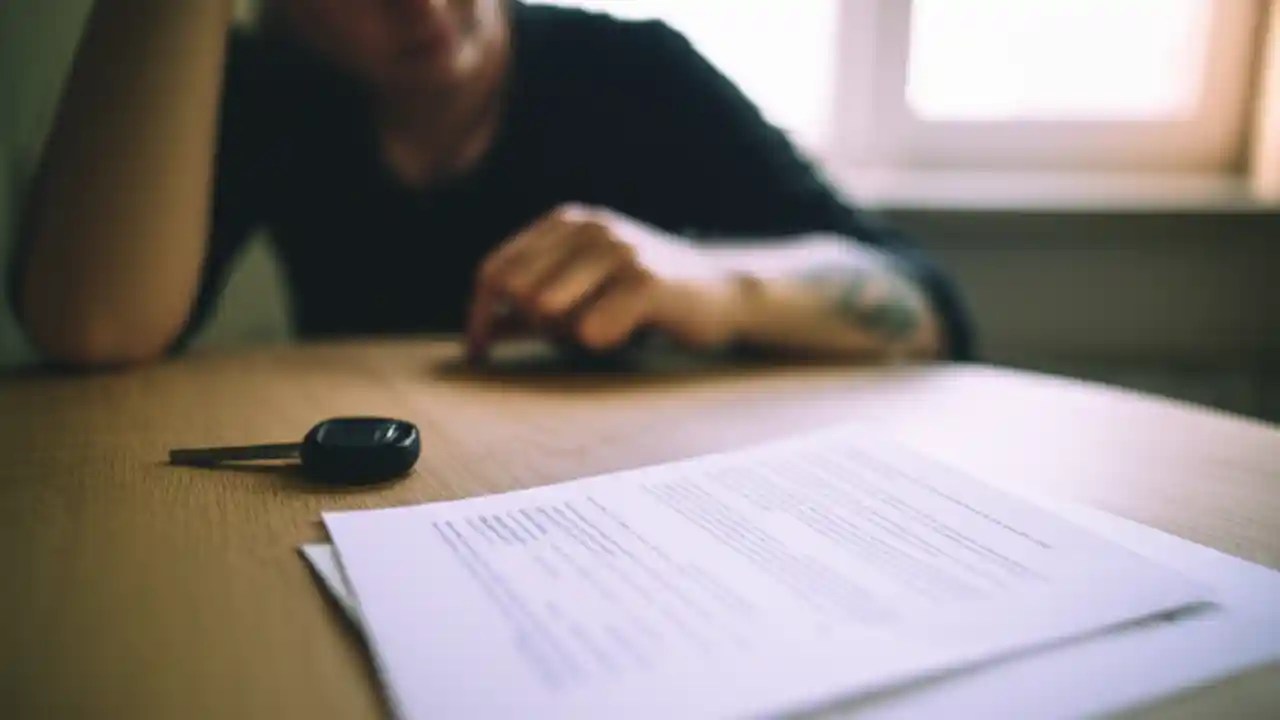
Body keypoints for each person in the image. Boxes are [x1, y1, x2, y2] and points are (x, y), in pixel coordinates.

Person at [10, 0, 972, 369]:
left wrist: (707, 283)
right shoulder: (262, 90)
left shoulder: (630, 70)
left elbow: (924, 305)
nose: (420, 4)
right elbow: (89, 322)